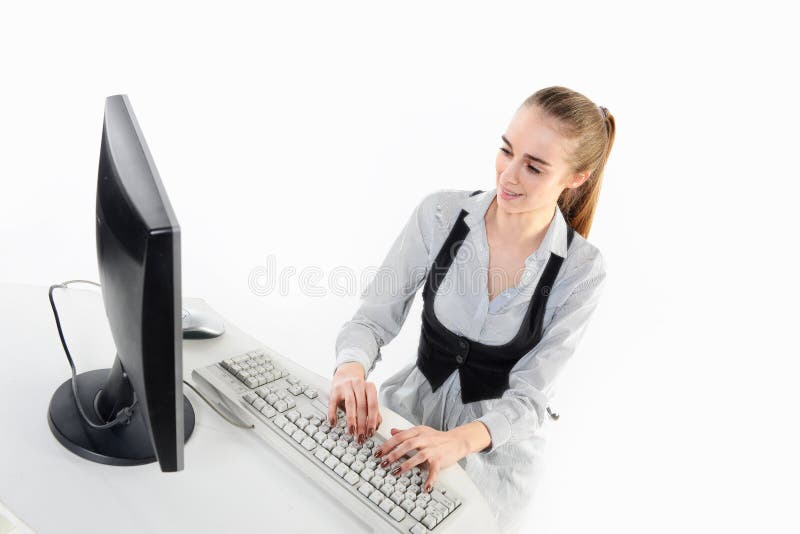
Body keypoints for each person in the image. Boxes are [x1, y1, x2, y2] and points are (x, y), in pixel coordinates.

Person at [328, 86, 615, 533]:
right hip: (407, 424)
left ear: (575, 178)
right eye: (506, 150)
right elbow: (371, 319)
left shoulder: (581, 271)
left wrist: (456, 443)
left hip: (493, 468)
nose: (509, 175)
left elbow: (530, 400)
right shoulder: (441, 215)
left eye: (534, 167)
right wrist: (349, 370)